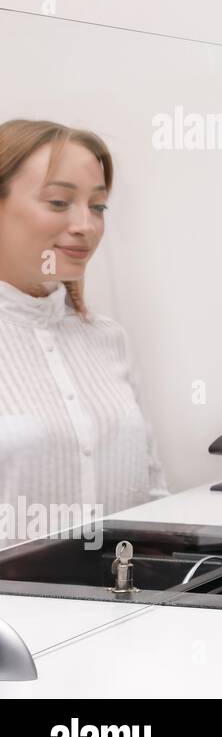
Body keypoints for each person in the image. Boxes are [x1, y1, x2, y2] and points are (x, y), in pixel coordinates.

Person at [0, 120, 168, 542]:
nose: (86, 225)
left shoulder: (106, 338)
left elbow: (151, 494)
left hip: (125, 600)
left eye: (98, 206)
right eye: (59, 202)